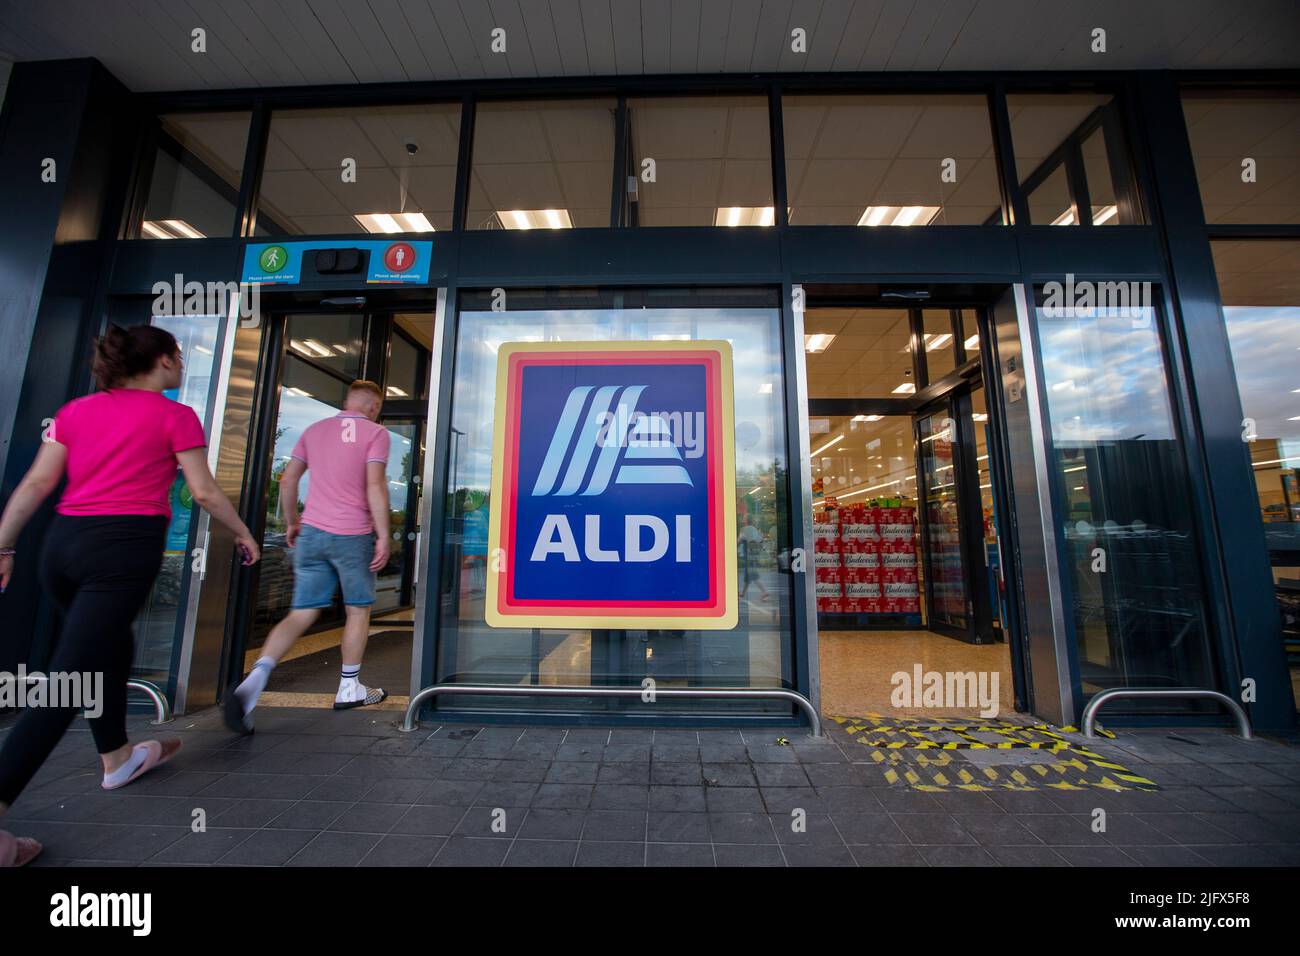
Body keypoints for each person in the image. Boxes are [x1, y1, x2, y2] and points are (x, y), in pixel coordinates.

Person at [0, 324, 261, 868]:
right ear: (163, 362)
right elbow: (204, 490)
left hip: (61, 549)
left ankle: (116, 755)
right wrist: (241, 531)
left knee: (109, 650)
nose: (183, 364)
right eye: (179, 357)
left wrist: (4, 547)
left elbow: (35, 485)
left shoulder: (76, 411)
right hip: (121, 553)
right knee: (69, 678)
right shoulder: (174, 415)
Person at [225, 380, 392, 734]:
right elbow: (374, 485)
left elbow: (287, 481)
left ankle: (257, 675)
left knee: (301, 611)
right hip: (353, 534)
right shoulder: (376, 434)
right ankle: (349, 686)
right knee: (357, 609)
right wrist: (383, 534)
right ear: (374, 406)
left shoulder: (314, 431)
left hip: (312, 533)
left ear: (347, 401)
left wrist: (292, 521)